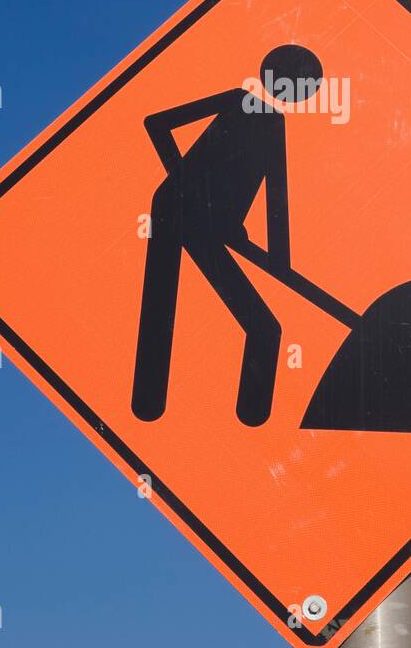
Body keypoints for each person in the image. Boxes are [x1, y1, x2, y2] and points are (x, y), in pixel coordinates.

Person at [132, 44, 323, 427]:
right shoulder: (239, 101)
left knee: (265, 328)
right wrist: (186, 185)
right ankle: (146, 407)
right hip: (173, 209)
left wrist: (279, 263)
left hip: (213, 225)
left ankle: (253, 422)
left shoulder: (274, 124)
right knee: (160, 303)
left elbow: (276, 200)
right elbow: (157, 123)